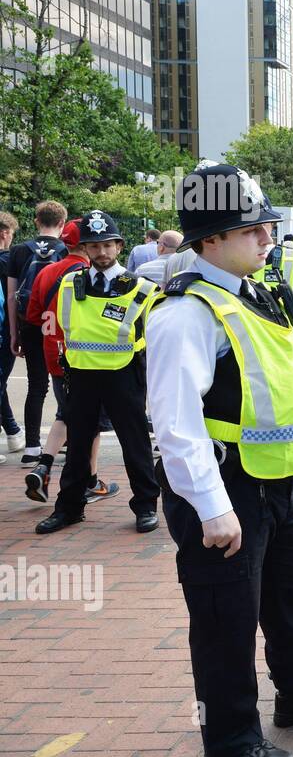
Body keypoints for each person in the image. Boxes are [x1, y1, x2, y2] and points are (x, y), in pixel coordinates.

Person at [148, 162, 293, 757]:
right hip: (226, 486)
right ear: (211, 239)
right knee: (227, 620)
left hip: (281, 476)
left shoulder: (256, 293)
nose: (269, 238)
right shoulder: (186, 314)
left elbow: (285, 381)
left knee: (292, 595)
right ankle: (232, 742)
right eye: (253, 229)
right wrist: (211, 508)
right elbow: (175, 423)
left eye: (266, 227)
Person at [33, 211, 160, 536]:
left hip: (124, 375)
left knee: (135, 445)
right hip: (81, 375)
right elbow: (67, 329)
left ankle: (146, 506)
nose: (101, 252)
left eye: (107, 245)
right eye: (93, 246)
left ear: (118, 245)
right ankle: (70, 508)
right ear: (85, 248)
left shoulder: (141, 288)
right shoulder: (70, 284)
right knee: (76, 446)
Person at [22, 218, 116, 508]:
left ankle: (44, 465)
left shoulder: (47, 271)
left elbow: (33, 315)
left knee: (67, 412)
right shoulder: (86, 274)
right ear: (86, 245)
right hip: (81, 354)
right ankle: (90, 479)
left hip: (53, 351)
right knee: (90, 421)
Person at [8, 200, 68, 465]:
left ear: (36, 221)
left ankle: (32, 446)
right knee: (66, 384)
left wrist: (14, 333)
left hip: (31, 325)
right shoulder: (67, 250)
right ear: (63, 223)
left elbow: (11, 297)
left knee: (36, 386)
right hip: (62, 327)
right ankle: (67, 438)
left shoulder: (20, 251)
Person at [0, 211, 23, 454]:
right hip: (4, 330)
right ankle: (13, 433)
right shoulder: (8, 260)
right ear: (5, 233)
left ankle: (13, 431)